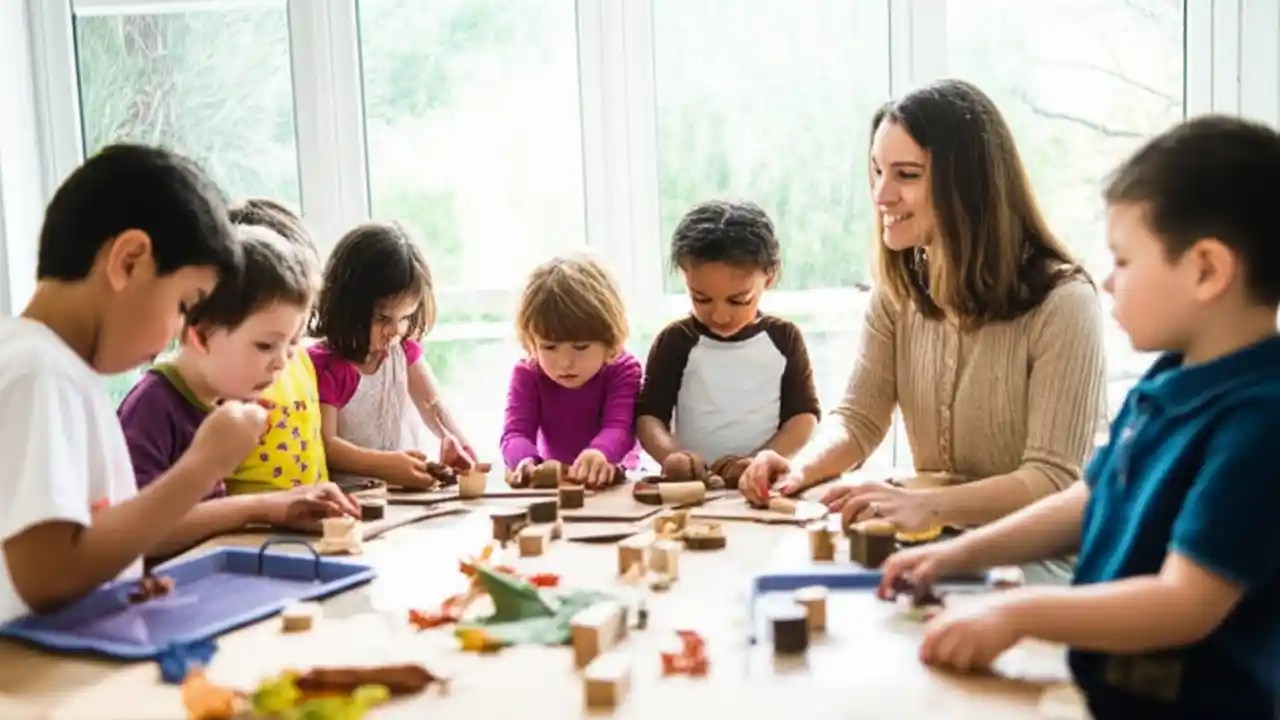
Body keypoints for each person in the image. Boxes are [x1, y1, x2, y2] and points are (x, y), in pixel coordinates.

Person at [880, 115, 1280, 719]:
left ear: (1207, 270)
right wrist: (958, 555)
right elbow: (1093, 499)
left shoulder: (1260, 423)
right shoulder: (1171, 377)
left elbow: (1183, 603)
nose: (1109, 281)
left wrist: (1014, 612)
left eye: (1123, 259)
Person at [740, 80, 1105, 582]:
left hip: (1037, 562)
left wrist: (927, 506)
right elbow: (859, 419)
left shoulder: (1064, 302)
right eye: (876, 171)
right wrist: (800, 469)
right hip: (937, 543)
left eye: (906, 175)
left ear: (969, 186)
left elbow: (1052, 481)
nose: (881, 194)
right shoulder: (898, 289)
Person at [0, 144, 263, 622]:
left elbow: (75, 550)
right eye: (185, 304)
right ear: (130, 261)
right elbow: (47, 575)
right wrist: (204, 465)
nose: (180, 333)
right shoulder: (41, 372)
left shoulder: (59, 370)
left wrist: (117, 584)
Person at [117, 222, 357, 556]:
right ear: (200, 336)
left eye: (291, 345)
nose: (281, 363)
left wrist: (281, 507)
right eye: (265, 345)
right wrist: (258, 507)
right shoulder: (153, 406)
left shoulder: (220, 401)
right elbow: (138, 534)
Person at [635, 199, 820, 466]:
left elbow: (803, 416)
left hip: (763, 482)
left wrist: (762, 461)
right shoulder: (676, 341)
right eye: (701, 298)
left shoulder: (784, 339)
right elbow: (649, 417)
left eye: (738, 300)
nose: (720, 316)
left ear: (770, 276)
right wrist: (673, 456)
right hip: (695, 485)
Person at [309, 222, 475, 488]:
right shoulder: (330, 367)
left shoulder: (403, 351)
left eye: (405, 317)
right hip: (351, 502)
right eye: (383, 317)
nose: (395, 331)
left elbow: (433, 405)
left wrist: (453, 439)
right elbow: (326, 445)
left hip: (404, 496)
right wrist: (386, 466)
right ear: (348, 306)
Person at [501, 254, 641, 487]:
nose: (565, 362)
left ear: (609, 340)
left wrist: (599, 453)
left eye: (581, 347)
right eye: (549, 347)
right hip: (557, 487)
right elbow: (515, 433)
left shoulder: (624, 370)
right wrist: (524, 460)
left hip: (617, 483)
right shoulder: (528, 373)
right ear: (532, 342)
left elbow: (620, 427)